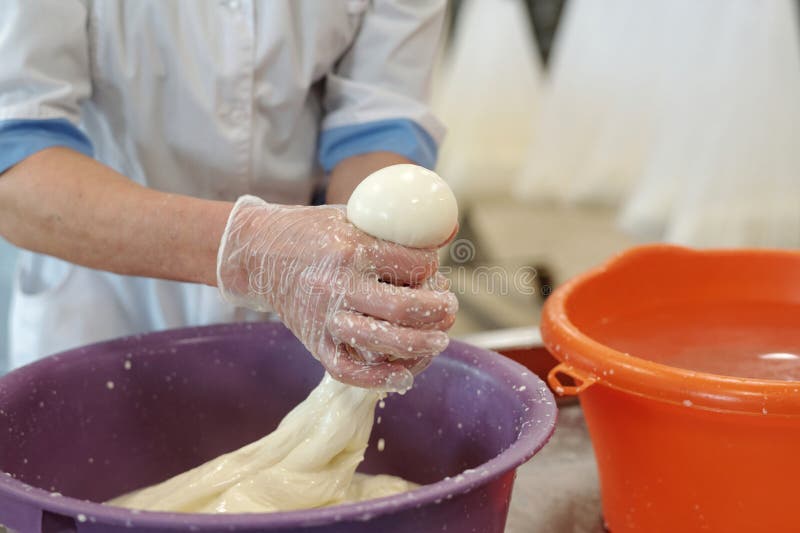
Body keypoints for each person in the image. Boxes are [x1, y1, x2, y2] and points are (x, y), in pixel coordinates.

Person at [0, 0, 457, 391]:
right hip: (103, 294)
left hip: (303, 305)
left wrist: (370, 263)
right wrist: (253, 251)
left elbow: (376, 123)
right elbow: (16, 168)